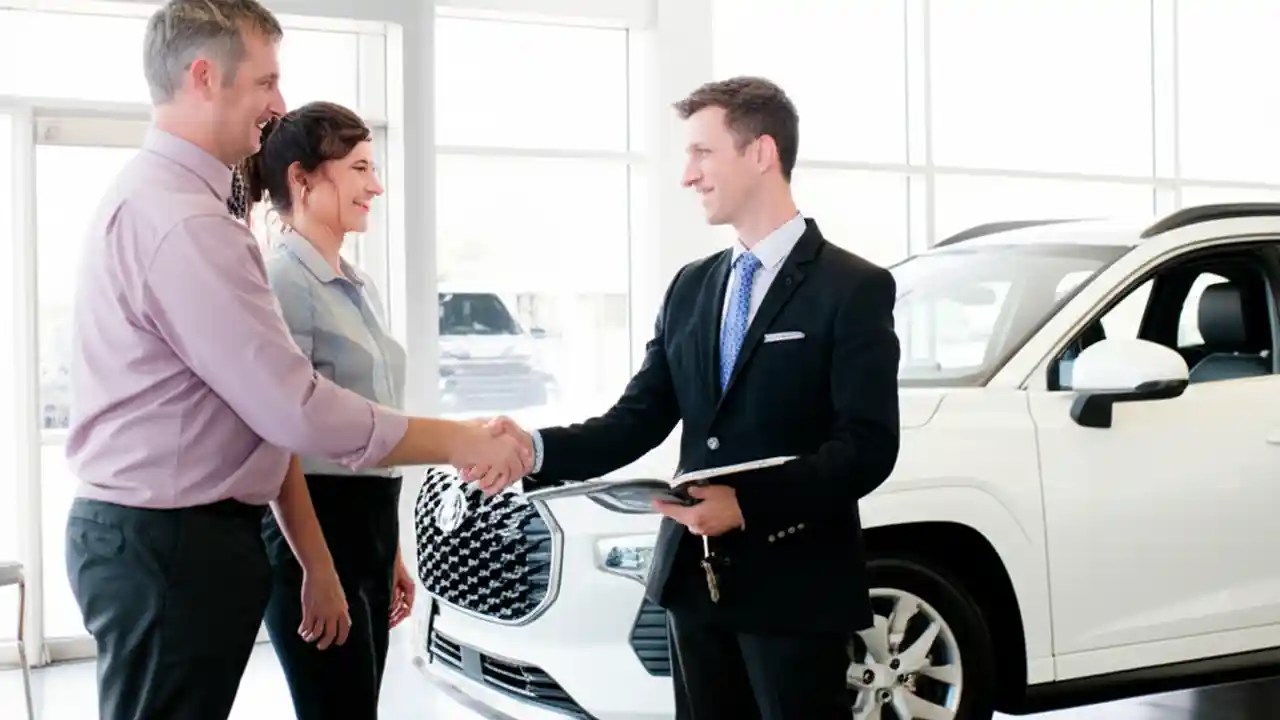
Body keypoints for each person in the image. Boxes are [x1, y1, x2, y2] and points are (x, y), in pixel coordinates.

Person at [62, 2, 528, 719]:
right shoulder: (186, 221)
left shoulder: (180, 204)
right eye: (266, 83)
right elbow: (293, 408)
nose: (277, 107)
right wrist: (460, 439)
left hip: (185, 538)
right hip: (175, 544)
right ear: (205, 76)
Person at [479, 77, 901, 719]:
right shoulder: (692, 287)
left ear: (761, 153)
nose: (687, 175)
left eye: (702, 153)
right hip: (694, 589)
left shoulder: (854, 287)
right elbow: (636, 419)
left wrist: (747, 506)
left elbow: (867, 447)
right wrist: (532, 448)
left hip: (796, 587)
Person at [239, 100, 413, 718]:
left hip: (370, 522)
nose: (377, 185)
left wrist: (391, 552)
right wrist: (318, 568)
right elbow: (277, 435)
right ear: (303, 180)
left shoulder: (355, 283)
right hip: (316, 531)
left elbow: (373, 423)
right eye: (361, 168)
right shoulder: (283, 281)